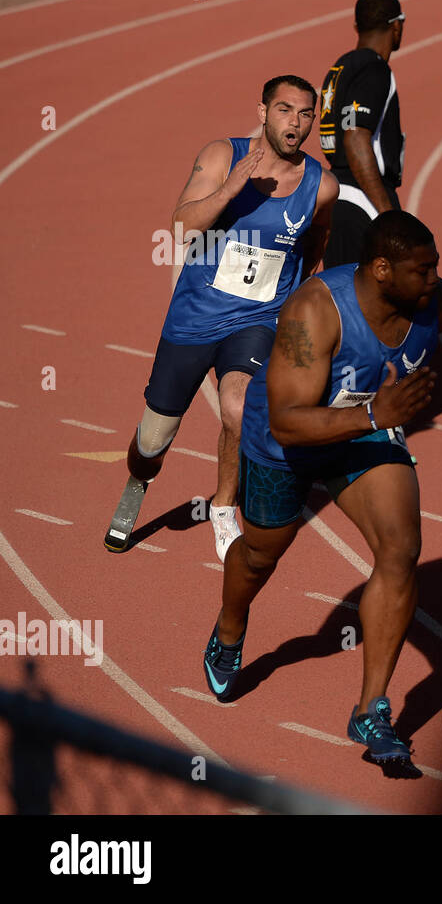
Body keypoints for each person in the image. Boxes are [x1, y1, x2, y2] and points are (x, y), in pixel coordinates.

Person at [203, 211, 442, 770]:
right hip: (286, 444)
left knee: (401, 551)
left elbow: (440, 318)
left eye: (436, 265)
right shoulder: (316, 311)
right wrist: (375, 413)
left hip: (363, 433)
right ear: (383, 268)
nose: (436, 278)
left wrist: (378, 413)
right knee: (263, 553)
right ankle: (230, 626)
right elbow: (289, 422)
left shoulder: (434, 302)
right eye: (424, 269)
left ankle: (371, 709)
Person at [105, 76, 337, 559]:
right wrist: (231, 190)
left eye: (305, 114)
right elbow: (179, 228)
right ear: (262, 111)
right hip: (194, 318)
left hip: (258, 320)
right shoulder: (220, 156)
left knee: (238, 407)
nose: (295, 123)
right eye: (284, 110)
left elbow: (316, 245)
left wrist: (295, 299)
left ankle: (224, 506)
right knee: (153, 438)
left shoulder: (322, 185)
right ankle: (138, 480)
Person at [319, 0, 407, 270]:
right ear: (397, 26)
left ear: (357, 27)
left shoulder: (341, 66)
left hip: (337, 197)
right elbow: (356, 137)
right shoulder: (374, 69)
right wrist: (387, 214)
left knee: (342, 299)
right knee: (399, 293)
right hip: (364, 198)